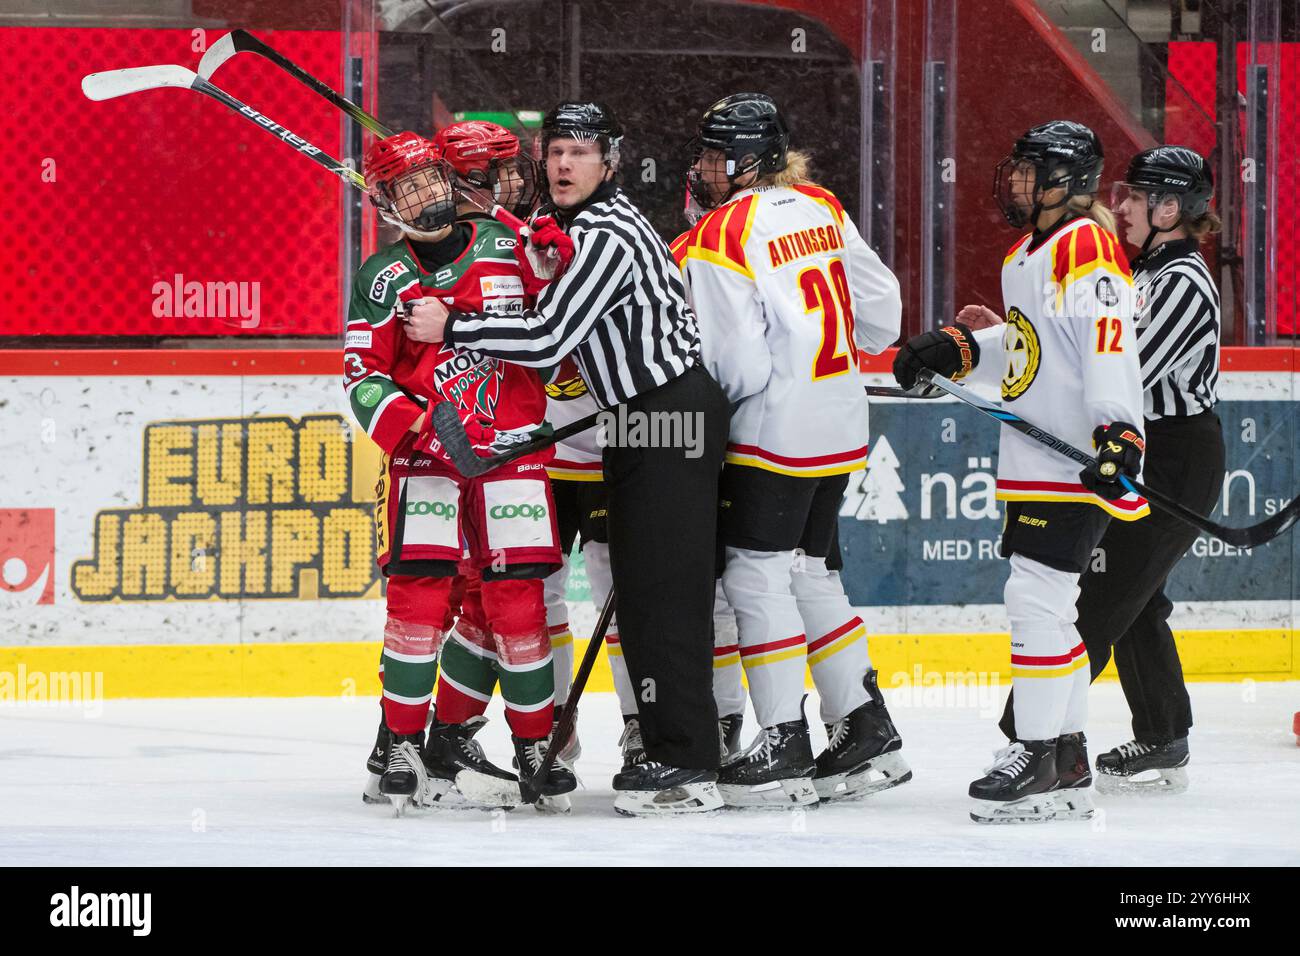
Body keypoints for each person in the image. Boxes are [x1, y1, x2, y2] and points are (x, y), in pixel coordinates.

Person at [403, 102, 732, 816]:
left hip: (669, 417)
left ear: (609, 161)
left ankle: (688, 763)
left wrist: (454, 324)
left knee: (664, 598)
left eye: (580, 153)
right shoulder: (585, 228)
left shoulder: (608, 232)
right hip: (640, 417)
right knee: (645, 594)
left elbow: (551, 339)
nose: (562, 164)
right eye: (554, 151)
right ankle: (680, 751)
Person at [894, 120, 1147, 823]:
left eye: (1031, 172)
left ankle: (1036, 752)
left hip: (1075, 459)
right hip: (1038, 459)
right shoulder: (1032, 253)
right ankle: (1063, 756)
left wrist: (1118, 431)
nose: (1017, 184)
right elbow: (1036, 341)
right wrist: (962, 348)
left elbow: (1107, 344)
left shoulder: (1087, 246)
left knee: (1034, 600)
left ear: (1067, 180)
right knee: (1049, 604)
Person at [674, 93, 910, 807]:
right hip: (840, 424)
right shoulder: (822, 206)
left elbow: (736, 365)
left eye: (717, 155)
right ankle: (865, 725)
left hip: (773, 433)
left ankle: (782, 740)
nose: (706, 167)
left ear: (749, 161)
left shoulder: (721, 232)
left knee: (754, 580)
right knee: (811, 572)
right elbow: (884, 316)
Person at [345, 130, 573, 813]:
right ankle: (404, 747)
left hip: (512, 456)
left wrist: (560, 260)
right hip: (428, 463)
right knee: (416, 601)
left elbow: (555, 340)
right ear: (387, 204)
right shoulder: (381, 277)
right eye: (406, 189)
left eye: (430, 181)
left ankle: (535, 744)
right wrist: (416, 423)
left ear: (450, 180)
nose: (425, 196)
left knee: (517, 603)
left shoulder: (510, 248)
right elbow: (360, 375)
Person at [990, 146, 1223, 794]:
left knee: (1105, 595)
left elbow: (1121, 368)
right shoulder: (1143, 270)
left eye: (1136, 197)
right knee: (1134, 598)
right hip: (1141, 445)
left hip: (1173, 454)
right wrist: (1012, 341)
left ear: (1171, 207)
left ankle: (1035, 738)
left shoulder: (1181, 281)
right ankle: (1162, 732)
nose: (1120, 206)